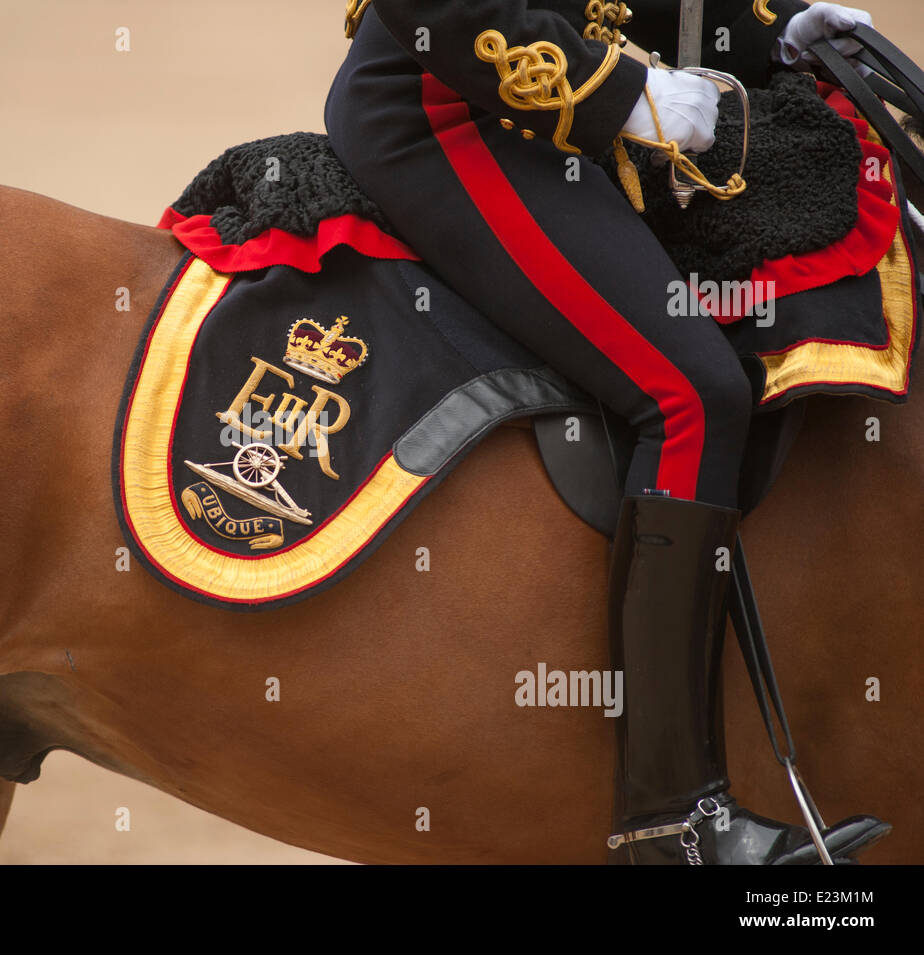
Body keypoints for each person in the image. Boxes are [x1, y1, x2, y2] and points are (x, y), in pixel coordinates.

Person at [325, 0, 890, 863]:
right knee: (693, 393)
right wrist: (622, 91)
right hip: (456, 108)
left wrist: (758, 30)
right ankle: (671, 818)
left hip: (589, 128)